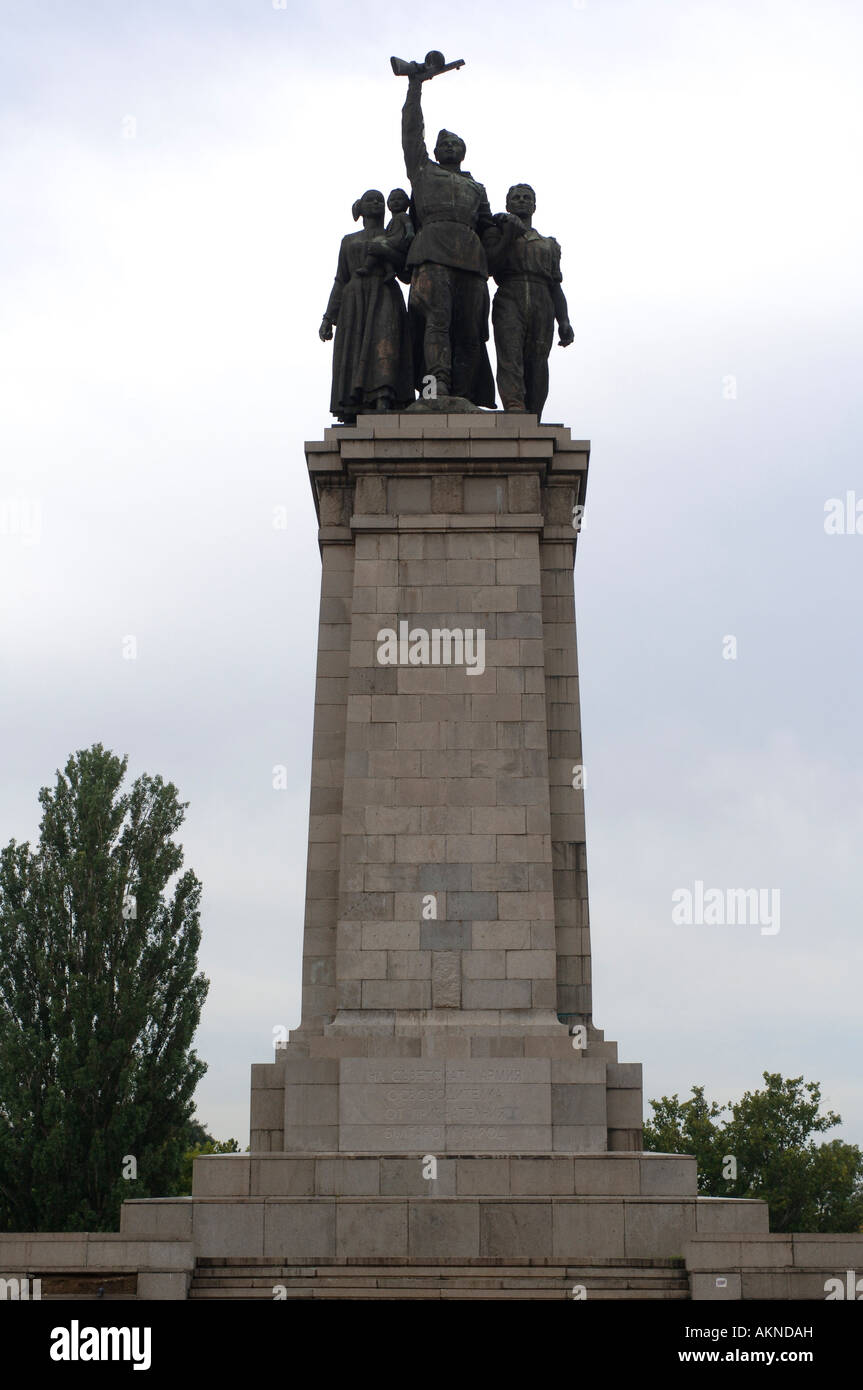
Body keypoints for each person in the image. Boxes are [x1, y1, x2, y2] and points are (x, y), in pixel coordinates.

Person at [400, 72, 499, 405]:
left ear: (464, 151)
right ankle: (435, 386)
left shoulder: (476, 188)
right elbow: (412, 134)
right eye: (443, 144)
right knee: (436, 321)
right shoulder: (424, 172)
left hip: (471, 258)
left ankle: (463, 392)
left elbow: (489, 229)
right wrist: (415, 86)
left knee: (470, 331)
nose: (448, 147)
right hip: (432, 252)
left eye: (454, 143)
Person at [319, 189, 414, 422]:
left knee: (385, 344)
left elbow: (406, 270)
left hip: (384, 293)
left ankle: (384, 398)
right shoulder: (349, 241)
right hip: (353, 301)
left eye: (380, 200)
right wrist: (328, 318)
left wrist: (386, 251)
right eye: (370, 199)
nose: (376, 203)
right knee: (353, 351)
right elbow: (340, 279)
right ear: (359, 207)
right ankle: (353, 404)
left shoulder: (393, 233)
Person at [487, 183, 574, 421]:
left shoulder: (549, 244)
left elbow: (556, 285)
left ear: (534, 205)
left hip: (542, 298)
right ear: (508, 204)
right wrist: (507, 233)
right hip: (509, 294)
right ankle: (514, 407)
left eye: (527, 198)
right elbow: (490, 266)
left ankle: (534, 413)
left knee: (538, 361)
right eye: (516, 198)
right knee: (510, 355)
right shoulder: (497, 232)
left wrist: (564, 320)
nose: (522, 201)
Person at [356, 188, 414, 278]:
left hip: (399, 241)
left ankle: (367, 267)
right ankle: (390, 271)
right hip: (392, 242)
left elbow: (408, 225)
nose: (396, 202)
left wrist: (410, 233)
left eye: (399, 199)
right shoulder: (392, 221)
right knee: (381, 251)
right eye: (392, 200)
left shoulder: (403, 216)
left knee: (377, 243)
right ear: (388, 205)